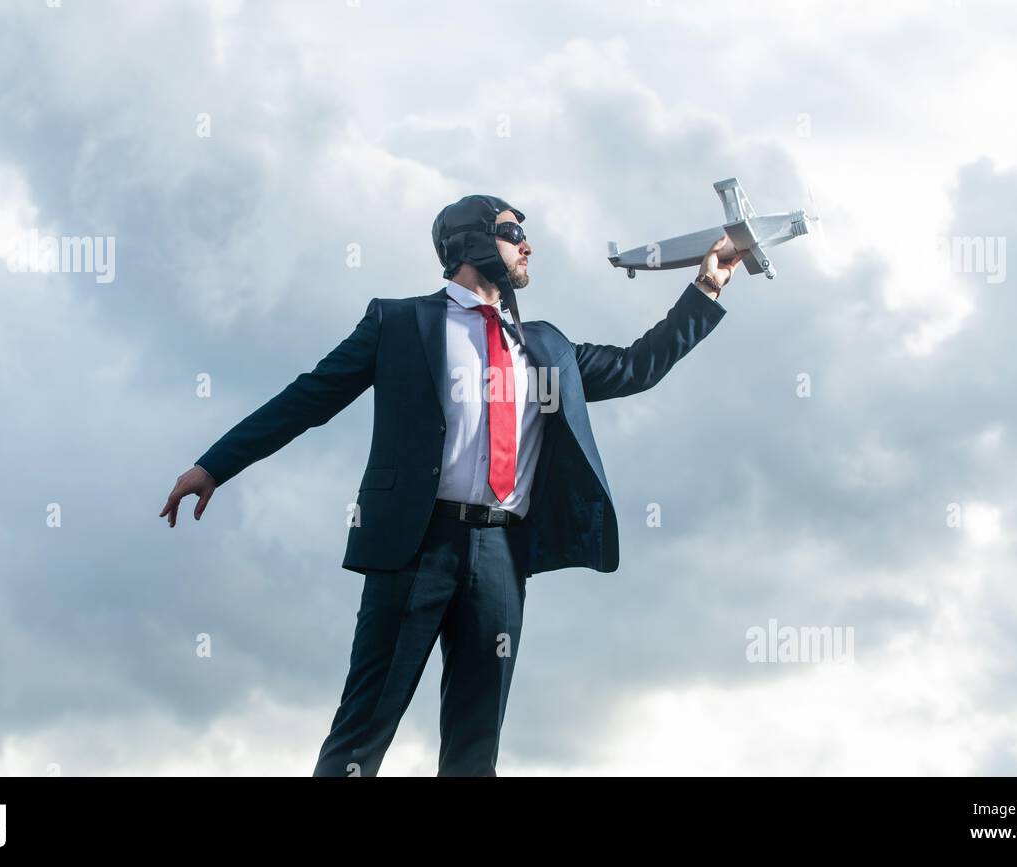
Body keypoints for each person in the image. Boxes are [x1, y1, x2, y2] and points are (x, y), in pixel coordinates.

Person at [159, 194, 743, 775]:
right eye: (514, 233)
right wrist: (215, 466)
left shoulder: (544, 347)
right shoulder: (399, 322)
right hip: (415, 546)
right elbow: (309, 397)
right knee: (360, 736)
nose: (527, 245)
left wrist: (706, 289)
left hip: (501, 557)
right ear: (470, 241)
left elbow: (636, 366)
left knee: (474, 750)